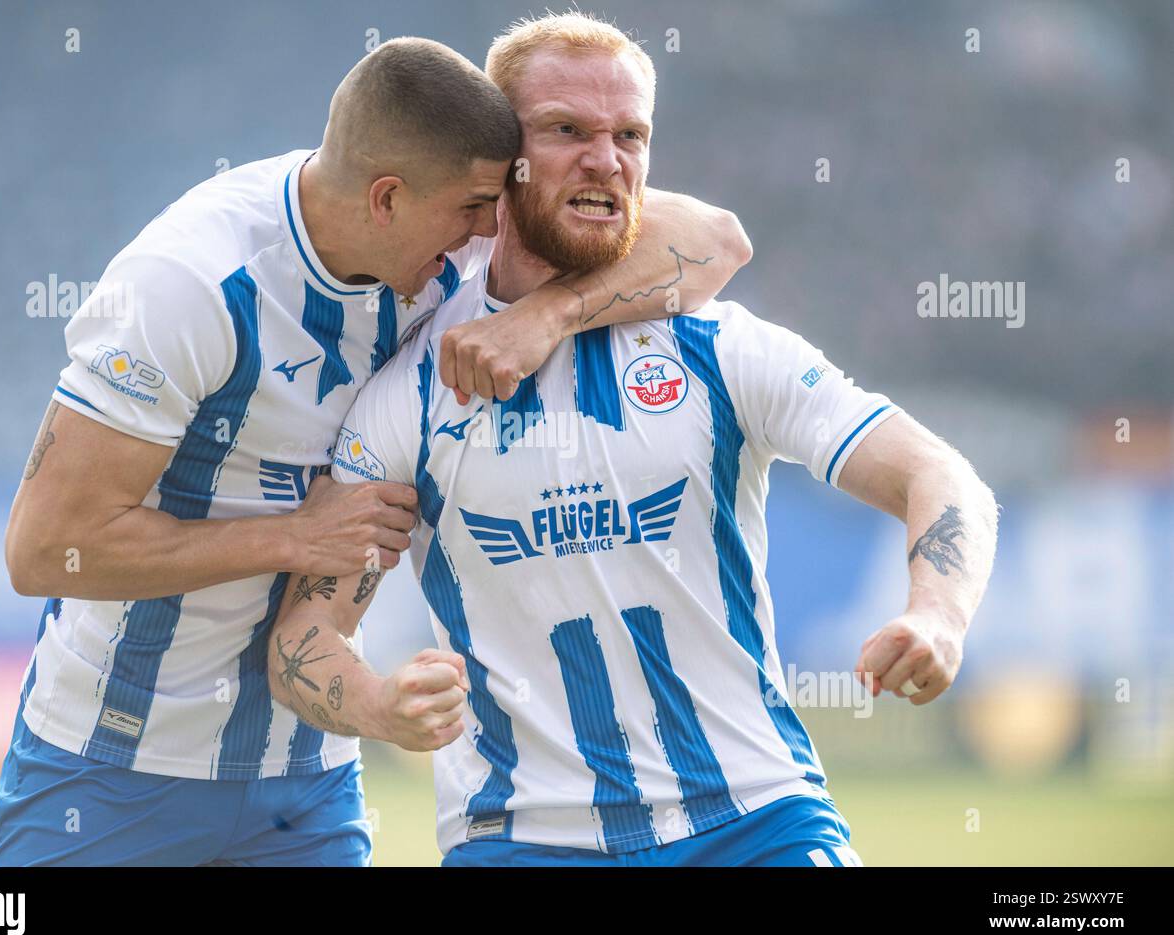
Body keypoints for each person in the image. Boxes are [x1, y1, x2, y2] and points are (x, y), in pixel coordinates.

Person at [0, 34, 751, 866]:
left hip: (305, 776)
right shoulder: (188, 286)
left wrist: (543, 317)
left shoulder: (447, 232)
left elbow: (717, 240)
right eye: (471, 210)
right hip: (109, 760)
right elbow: (45, 549)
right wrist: (288, 537)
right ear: (386, 200)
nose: (492, 229)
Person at [265, 12, 999, 866]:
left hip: (755, 818)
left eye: (630, 135)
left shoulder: (719, 347)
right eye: (566, 130)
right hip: (520, 839)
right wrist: (375, 705)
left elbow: (939, 477)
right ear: (502, 159)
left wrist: (938, 616)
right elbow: (302, 636)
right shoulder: (408, 392)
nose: (606, 160)